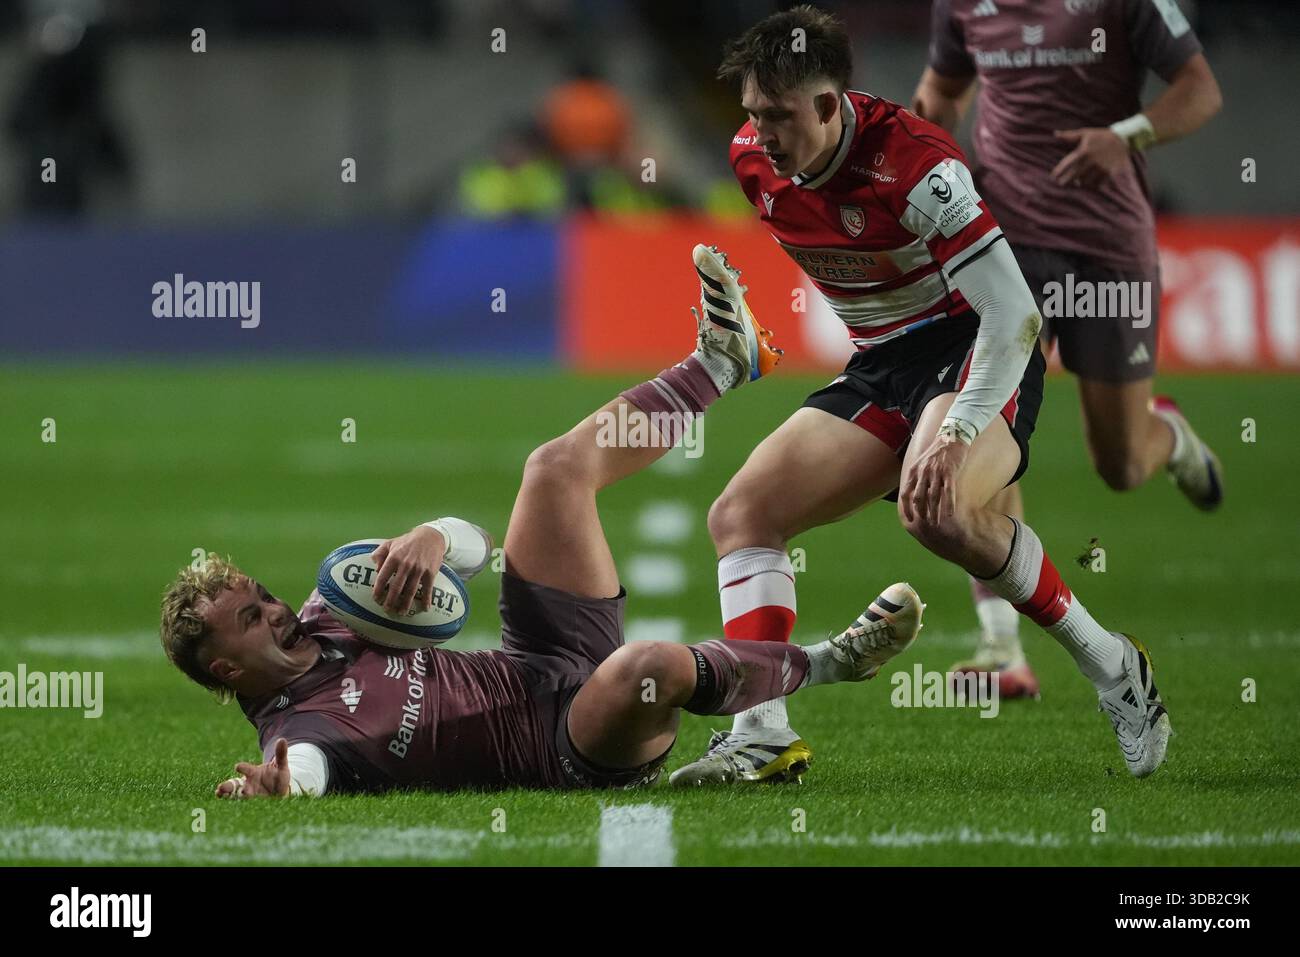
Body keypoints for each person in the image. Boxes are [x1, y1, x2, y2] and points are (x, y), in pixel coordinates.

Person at [158, 244, 924, 797]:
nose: (276, 608)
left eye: (260, 594)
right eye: (253, 618)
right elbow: (311, 774)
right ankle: (833, 660)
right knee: (643, 665)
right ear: (226, 669)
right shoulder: (300, 735)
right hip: (570, 742)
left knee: (552, 471)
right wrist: (281, 788)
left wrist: (435, 535)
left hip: (544, 651)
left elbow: (477, 544)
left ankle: (723, 360)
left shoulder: (336, 603)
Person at [670, 5, 1169, 786]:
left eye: (779, 116)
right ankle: (761, 728)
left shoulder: (919, 168)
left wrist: (963, 425)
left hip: (974, 348)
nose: (761, 133)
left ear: (832, 105)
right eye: (752, 113)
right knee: (742, 515)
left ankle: (1113, 667)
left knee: (933, 509)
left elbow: (1016, 313)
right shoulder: (752, 160)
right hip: (885, 364)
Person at [911, 0, 1224, 696]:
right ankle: (1002, 650)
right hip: (1001, 246)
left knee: (1119, 464)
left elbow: (1200, 88)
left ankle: (1165, 436)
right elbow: (942, 93)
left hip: (1106, 247)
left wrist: (1128, 134)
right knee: (983, 420)